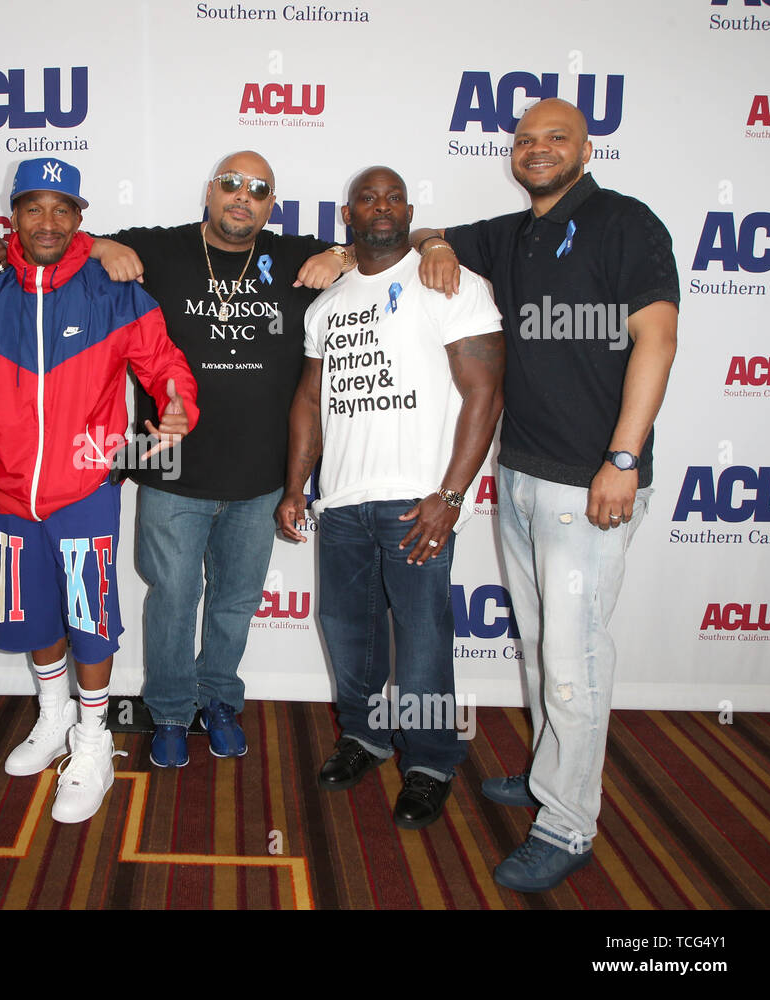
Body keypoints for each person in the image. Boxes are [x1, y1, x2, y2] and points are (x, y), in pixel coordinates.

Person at [414, 98, 679, 889]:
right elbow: (441, 238)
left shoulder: (627, 222)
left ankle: (567, 824)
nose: (537, 149)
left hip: (591, 482)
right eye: (525, 139)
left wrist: (623, 458)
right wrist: (430, 242)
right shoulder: (515, 231)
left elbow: (658, 339)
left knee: (575, 660)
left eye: (555, 138)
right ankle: (545, 781)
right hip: (523, 472)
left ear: (586, 148)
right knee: (542, 651)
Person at [0, 157, 200, 824]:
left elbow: (165, 364)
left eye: (63, 209)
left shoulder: (112, 289)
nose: (48, 221)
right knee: (31, 618)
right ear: (15, 216)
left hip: (85, 488)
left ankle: (92, 743)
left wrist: (177, 404)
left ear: (81, 217)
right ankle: (54, 717)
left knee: (89, 623)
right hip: (10, 496)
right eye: (35, 208)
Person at [91, 151, 353, 766]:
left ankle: (220, 702)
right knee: (174, 600)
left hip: (261, 477)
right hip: (173, 472)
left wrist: (339, 255)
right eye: (231, 183)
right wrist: (103, 248)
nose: (243, 196)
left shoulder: (295, 257)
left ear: (271, 205)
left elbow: (380, 251)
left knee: (235, 602)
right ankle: (172, 713)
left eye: (259, 189)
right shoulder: (163, 250)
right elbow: (66, 239)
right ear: (209, 192)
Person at [276, 166, 504, 829]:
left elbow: (484, 391)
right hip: (342, 499)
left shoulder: (448, 280)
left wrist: (452, 494)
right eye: (367, 198)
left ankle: (430, 762)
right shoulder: (329, 302)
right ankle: (367, 737)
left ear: (410, 209)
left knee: (424, 640)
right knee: (349, 634)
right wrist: (297, 486)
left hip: (417, 500)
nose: (381, 206)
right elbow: (310, 399)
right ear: (347, 214)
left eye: (393, 196)